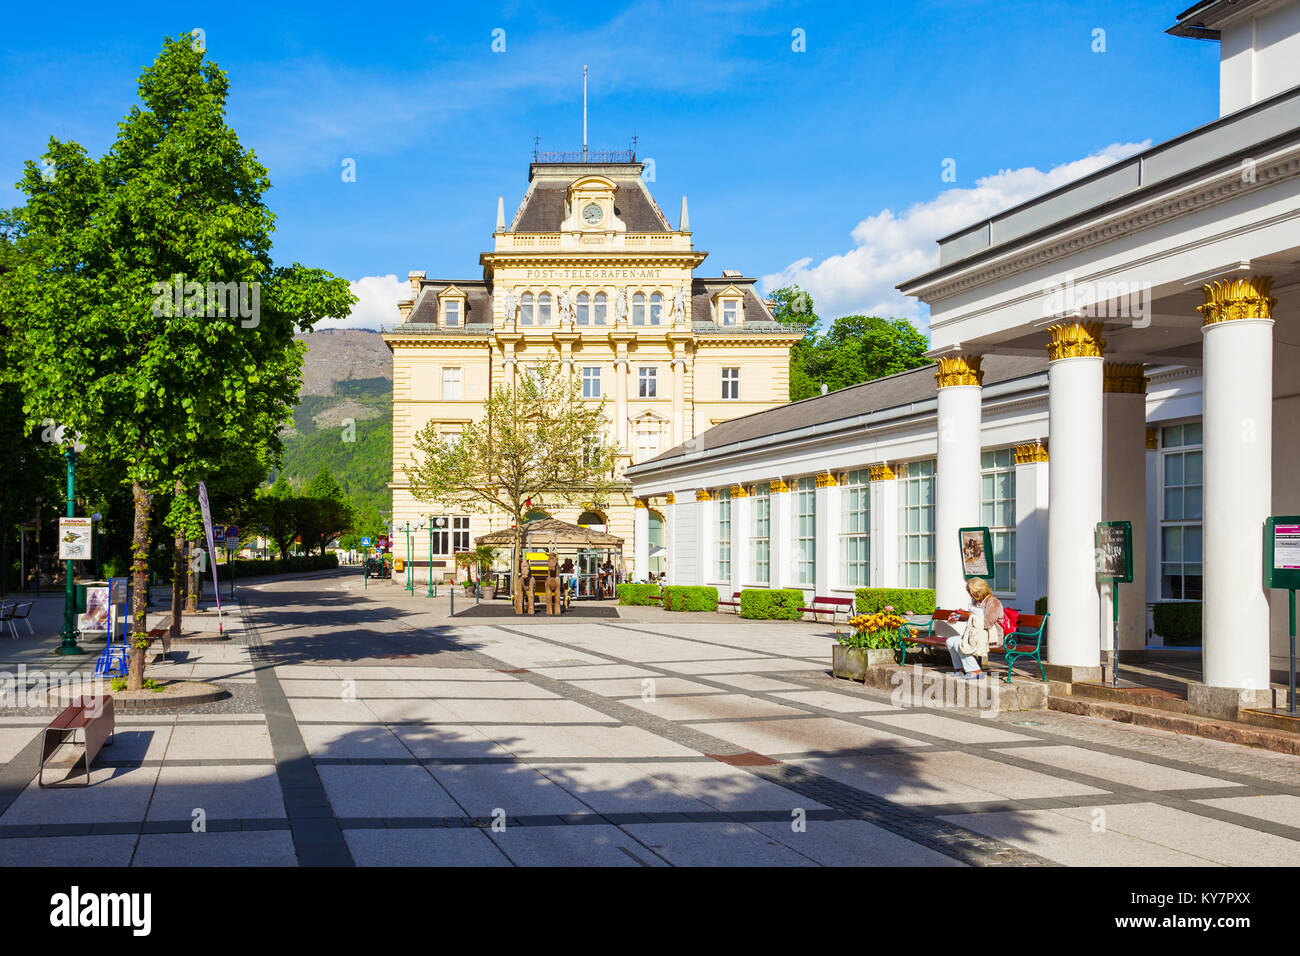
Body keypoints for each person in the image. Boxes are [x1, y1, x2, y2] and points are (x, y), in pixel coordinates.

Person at [945, 577, 1003, 679]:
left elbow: (988, 623)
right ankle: (961, 669)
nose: (970, 595)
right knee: (950, 641)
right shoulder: (977, 601)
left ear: (979, 591)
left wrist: (970, 616)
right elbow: (973, 618)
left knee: (959, 644)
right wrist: (960, 616)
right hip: (977, 634)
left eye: (971, 592)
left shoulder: (993, 602)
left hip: (991, 637)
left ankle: (976, 671)